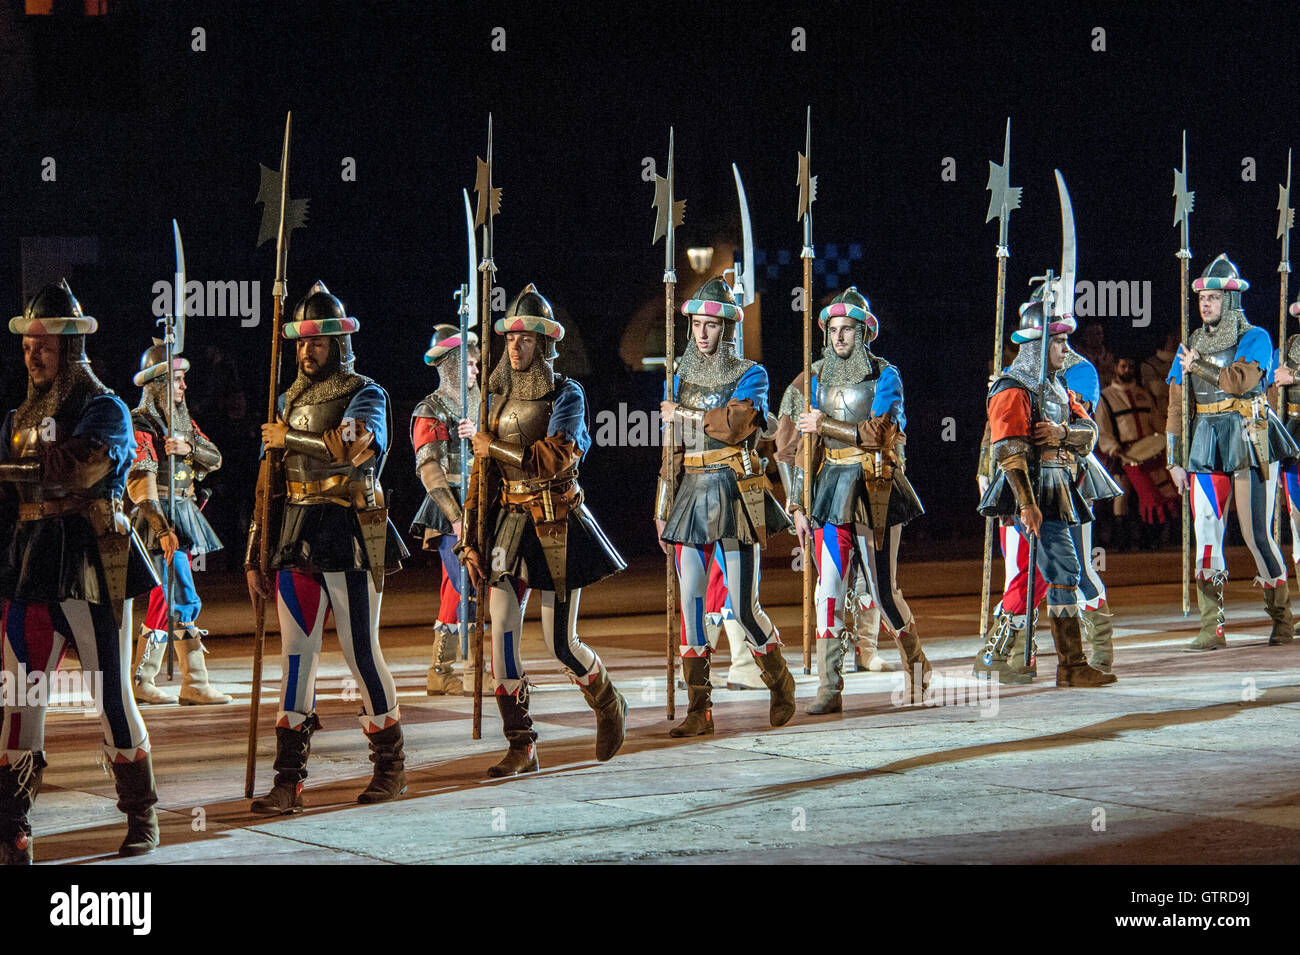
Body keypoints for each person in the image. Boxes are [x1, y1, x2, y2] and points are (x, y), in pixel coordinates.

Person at [0, 280, 161, 862]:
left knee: (112, 694)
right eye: (26, 346)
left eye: (43, 344)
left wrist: (17, 465)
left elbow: (83, 469)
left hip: (94, 564)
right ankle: (12, 827)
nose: (32, 354)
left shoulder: (107, 408)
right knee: (20, 698)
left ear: (70, 348)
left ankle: (141, 813)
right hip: (30, 566)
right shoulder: (17, 417)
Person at [245, 281, 411, 813]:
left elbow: (355, 449)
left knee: (362, 652)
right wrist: (256, 553)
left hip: (350, 530)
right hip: (296, 531)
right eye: (300, 340)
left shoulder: (367, 392)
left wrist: (287, 437)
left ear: (339, 342)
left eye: (317, 340)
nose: (306, 349)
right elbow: (268, 485)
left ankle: (390, 767)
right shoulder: (287, 397)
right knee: (297, 658)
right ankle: (288, 779)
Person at [458, 284, 628, 776]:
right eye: (511, 337)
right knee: (502, 637)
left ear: (544, 344)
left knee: (559, 642)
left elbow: (555, 458)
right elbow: (482, 476)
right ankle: (521, 743)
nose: (516, 345)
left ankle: (607, 699)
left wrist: (493, 446)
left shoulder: (565, 393)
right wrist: (471, 539)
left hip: (556, 522)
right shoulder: (494, 396)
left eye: (526, 338)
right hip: (507, 526)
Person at [775, 287, 929, 711]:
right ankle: (830, 686)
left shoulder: (885, 375)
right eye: (834, 329)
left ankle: (917, 666)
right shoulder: (814, 379)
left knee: (882, 591)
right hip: (829, 491)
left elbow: (879, 434)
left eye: (848, 329)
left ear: (864, 333)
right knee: (828, 590)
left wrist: (824, 424)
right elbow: (800, 448)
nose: (840, 337)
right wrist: (798, 505)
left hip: (874, 489)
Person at [656, 276, 796, 736]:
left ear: (727, 329)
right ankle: (701, 709)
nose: (701, 333)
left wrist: (687, 415)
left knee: (741, 605)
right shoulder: (678, 375)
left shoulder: (751, 374)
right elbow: (671, 449)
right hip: (691, 492)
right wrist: (662, 506)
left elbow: (735, 426)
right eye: (696, 324)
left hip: (736, 490)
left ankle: (778, 680)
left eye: (710, 325)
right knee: (692, 604)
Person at [977, 285, 1117, 687]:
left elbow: (1089, 433)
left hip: (1059, 487)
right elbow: (1009, 451)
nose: (1065, 348)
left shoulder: (1057, 387)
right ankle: (1057, 664)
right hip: (1032, 492)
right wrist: (1025, 504)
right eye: (1058, 341)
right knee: (1048, 572)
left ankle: (1063, 664)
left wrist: (1060, 431)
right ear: (1037, 344)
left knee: (1060, 572)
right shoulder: (1011, 387)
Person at [1165, 255, 1296, 649]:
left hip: (1248, 436)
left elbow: (1239, 382)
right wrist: (1174, 458)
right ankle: (1212, 626)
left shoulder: (1255, 338)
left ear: (1231, 301)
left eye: (1214, 297)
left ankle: (1282, 618)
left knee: (1257, 534)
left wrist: (1198, 365)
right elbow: (1176, 404)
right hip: (1206, 439)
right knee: (1206, 533)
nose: (1206, 303)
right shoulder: (1192, 345)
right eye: (1203, 297)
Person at [126, 338, 231, 705]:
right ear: (158, 385)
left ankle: (141, 679)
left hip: (185, 513)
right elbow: (141, 482)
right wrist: (162, 529)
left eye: (184, 379)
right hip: (159, 521)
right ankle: (195, 683)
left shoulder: (183, 422)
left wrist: (187, 448)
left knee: (162, 598)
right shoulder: (141, 423)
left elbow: (215, 458)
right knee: (182, 595)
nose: (184, 386)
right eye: (177, 380)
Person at [410, 323, 484, 695]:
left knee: (455, 590)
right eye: (469, 364)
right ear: (451, 365)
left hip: (481, 503)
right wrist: (455, 517)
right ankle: (473, 669)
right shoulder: (431, 410)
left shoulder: (482, 406)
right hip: (449, 511)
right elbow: (431, 470)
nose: (475, 370)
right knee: (466, 584)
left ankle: (440, 671)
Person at [1096, 355, 1179, 546]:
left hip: (1149, 453)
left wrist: (1163, 440)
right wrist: (1114, 449)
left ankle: (1153, 538)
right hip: (1123, 454)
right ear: (1116, 367)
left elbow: (1156, 421)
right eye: (1123, 365)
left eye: (1130, 366)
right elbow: (1103, 428)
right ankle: (1121, 540)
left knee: (1156, 495)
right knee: (1122, 497)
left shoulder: (1143, 393)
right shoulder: (1106, 397)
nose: (1127, 370)